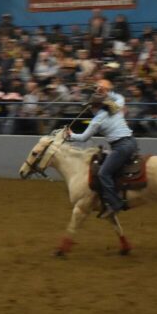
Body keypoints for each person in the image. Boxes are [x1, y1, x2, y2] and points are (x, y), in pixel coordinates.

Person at [63, 79, 136, 218]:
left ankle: (115, 204)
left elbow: (83, 137)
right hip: (131, 143)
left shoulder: (97, 120)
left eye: (91, 106)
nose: (90, 108)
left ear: (95, 106)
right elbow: (121, 97)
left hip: (121, 147)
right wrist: (107, 92)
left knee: (103, 173)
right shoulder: (115, 107)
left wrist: (70, 135)